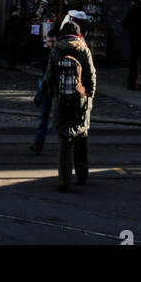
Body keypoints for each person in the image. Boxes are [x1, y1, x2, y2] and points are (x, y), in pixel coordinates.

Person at [47, 20, 96, 191]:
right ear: (78, 34)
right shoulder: (84, 50)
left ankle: (64, 181)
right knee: (81, 135)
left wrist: (53, 95)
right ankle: (82, 174)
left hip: (61, 100)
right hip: (80, 101)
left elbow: (49, 78)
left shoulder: (55, 51)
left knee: (64, 141)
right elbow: (91, 77)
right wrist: (89, 98)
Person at [30, 22, 59, 155]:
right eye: (49, 41)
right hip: (48, 87)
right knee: (44, 117)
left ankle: (64, 145)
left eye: (53, 42)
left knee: (55, 118)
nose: (50, 44)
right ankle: (38, 143)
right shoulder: (46, 52)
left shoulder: (58, 53)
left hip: (57, 88)